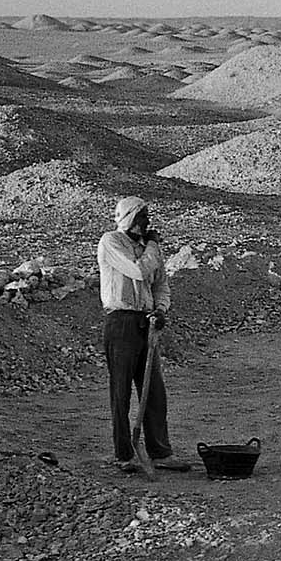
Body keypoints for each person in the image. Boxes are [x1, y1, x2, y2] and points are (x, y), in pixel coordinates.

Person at [98, 197, 190, 473]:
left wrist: (161, 309)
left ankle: (160, 451)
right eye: (143, 216)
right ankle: (124, 454)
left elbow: (161, 284)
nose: (147, 222)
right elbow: (138, 271)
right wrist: (152, 245)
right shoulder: (111, 242)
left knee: (154, 390)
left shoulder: (149, 249)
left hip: (146, 322)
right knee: (121, 391)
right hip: (121, 321)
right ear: (131, 217)